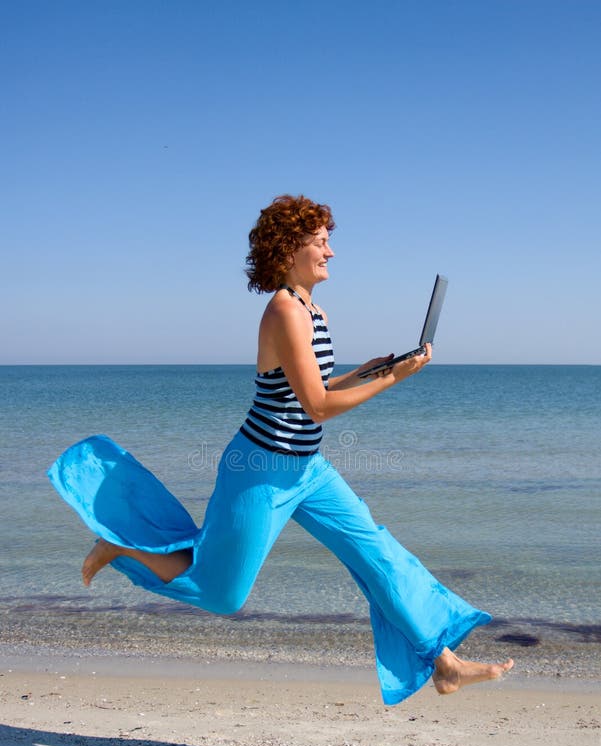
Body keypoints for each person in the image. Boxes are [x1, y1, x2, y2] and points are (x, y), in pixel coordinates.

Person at [48, 194, 513, 704]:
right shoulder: (284, 310)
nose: (330, 252)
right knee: (223, 594)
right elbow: (316, 405)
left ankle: (443, 663)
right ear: (290, 249)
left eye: (328, 241)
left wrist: (368, 370)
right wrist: (395, 379)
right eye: (320, 242)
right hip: (260, 469)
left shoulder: (313, 308)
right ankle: (120, 545)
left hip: (308, 469)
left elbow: (308, 384)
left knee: (378, 554)